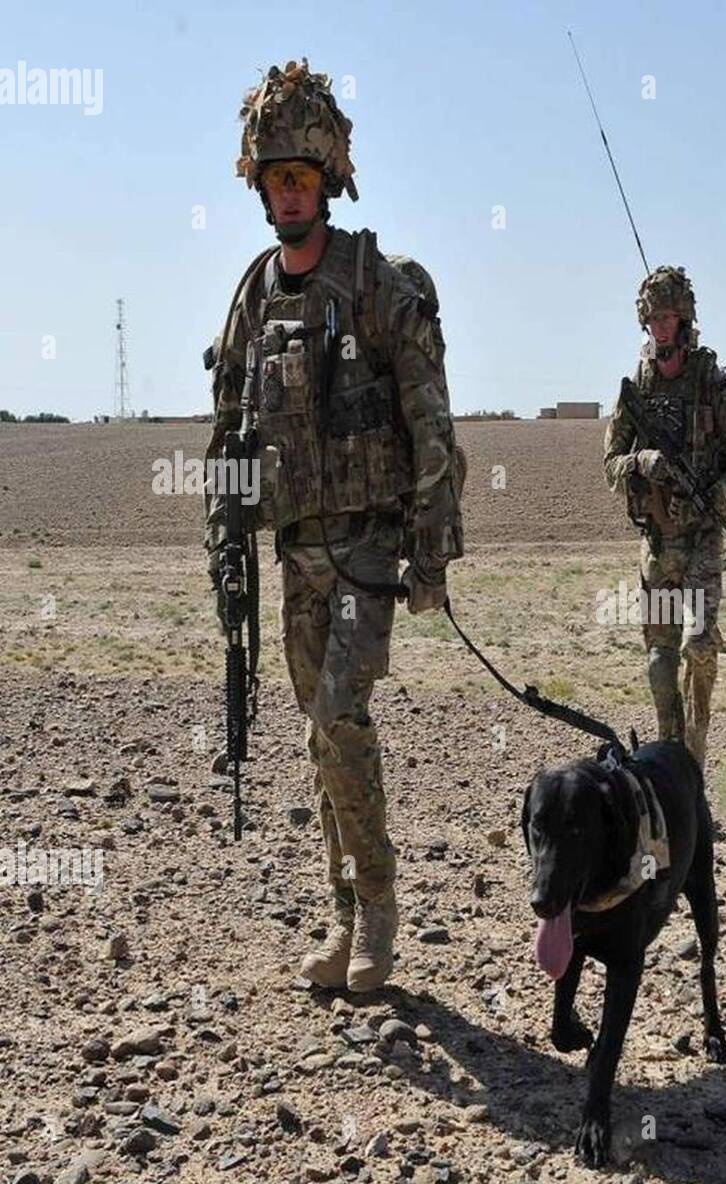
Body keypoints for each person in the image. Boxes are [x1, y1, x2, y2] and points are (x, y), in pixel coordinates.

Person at [203, 59, 465, 991]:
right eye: (276, 178)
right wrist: (222, 541)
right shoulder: (253, 295)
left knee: (341, 715)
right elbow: (229, 428)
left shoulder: (374, 283)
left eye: (302, 179)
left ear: (330, 181)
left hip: (366, 547)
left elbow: (432, 421)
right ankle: (343, 909)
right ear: (259, 184)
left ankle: (380, 912)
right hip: (293, 550)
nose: (288, 194)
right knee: (316, 734)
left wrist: (432, 545)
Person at [602, 266, 726, 766]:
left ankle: (696, 757)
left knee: (700, 648)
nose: (659, 328)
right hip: (656, 544)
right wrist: (640, 463)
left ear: (684, 320)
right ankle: (670, 755)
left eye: (667, 317)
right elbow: (610, 464)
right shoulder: (635, 391)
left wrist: (711, 500)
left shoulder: (712, 388)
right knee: (658, 660)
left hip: (702, 541)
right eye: (652, 319)